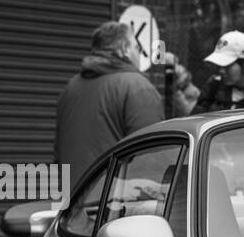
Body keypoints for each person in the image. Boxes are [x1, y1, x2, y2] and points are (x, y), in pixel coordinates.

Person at [55, 21, 163, 175]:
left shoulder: (70, 89)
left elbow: (58, 156)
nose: (139, 55)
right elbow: (150, 159)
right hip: (114, 196)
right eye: (137, 48)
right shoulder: (138, 87)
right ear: (124, 49)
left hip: (72, 195)